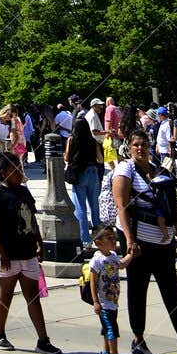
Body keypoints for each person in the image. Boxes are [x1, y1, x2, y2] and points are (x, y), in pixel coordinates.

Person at [113, 129, 177, 354]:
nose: (141, 148)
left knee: (172, 291)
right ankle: (138, 339)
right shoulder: (125, 169)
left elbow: (167, 200)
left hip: (164, 241)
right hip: (139, 239)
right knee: (138, 290)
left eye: (144, 144)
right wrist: (129, 240)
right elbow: (122, 206)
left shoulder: (158, 168)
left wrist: (175, 227)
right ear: (129, 147)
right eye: (136, 144)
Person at [0, 153, 62, 354]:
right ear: (3, 172)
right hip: (7, 255)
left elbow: (32, 219)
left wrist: (40, 242)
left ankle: (43, 340)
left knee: (33, 297)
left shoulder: (23, 192)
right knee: (6, 295)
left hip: (27, 252)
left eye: (20, 168)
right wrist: (1, 253)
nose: (20, 173)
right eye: (15, 169)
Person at [87, 224, 131, 354]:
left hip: (113, 301)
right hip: (104, 303)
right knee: (112, 328)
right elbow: (93, 282)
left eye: (114, 238)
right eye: (110, 238)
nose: (114, 241)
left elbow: (122, 265)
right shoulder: (97, 260)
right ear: (98, 242)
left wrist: (131, 254)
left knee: (107, 328)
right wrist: (95, 301)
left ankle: (105, 353)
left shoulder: (112, 256)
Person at [64, 105, 102, 252]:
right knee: (94, 205)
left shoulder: (71, 140)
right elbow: (100, 159)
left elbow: (67, 157)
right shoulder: (92, 140)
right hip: (92, 171)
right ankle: (99, 236)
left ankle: (85, 240)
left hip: (79, 173)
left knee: (80, 206)